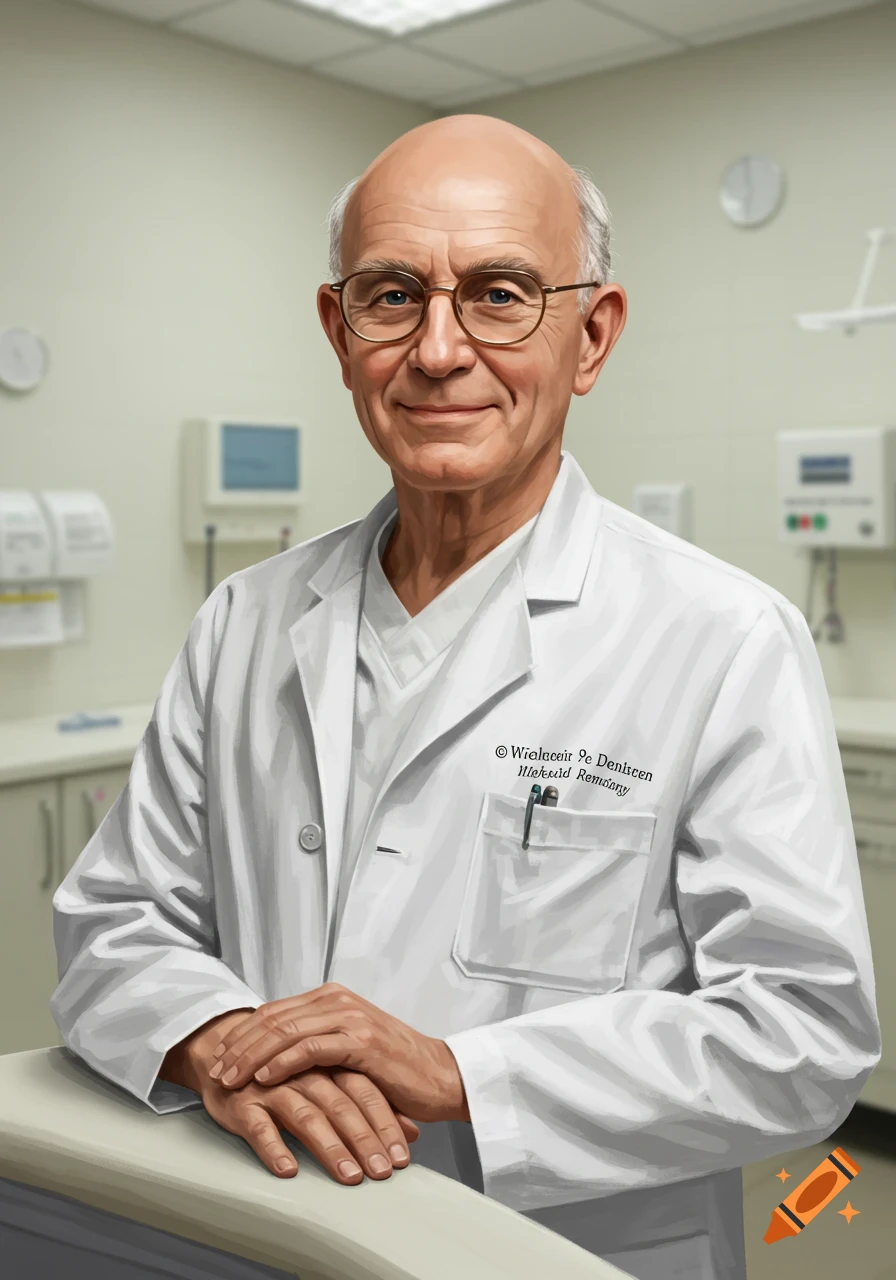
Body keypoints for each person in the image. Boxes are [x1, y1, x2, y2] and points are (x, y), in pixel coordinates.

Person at [51, 115, 881, 1280]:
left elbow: (801, 1035)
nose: (438, 350)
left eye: (498, 294)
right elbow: (113, 920)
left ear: (590, 337)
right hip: (258, 1224)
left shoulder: (720, 638)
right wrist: (213, 1034)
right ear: (339, 333)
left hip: (552, 1249)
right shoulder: (245, 621)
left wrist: (454, 1073)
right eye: (392, 296)